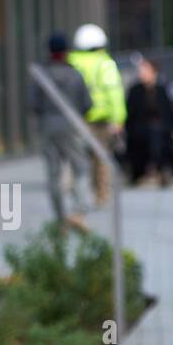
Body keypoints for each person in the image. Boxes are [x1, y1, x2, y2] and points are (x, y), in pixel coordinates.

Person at [27, 32, 93, 232]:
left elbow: (33, 104)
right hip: (72, 125)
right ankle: (78, 211)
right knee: (80, 168)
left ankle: (59, 219)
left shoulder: (41, 75)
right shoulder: (75, 74)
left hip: (48, 127)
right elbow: (87, 103)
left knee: (53, 174)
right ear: (66, 51)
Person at [67, 23, 126, 207]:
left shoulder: (71, 62)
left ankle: (78, 198)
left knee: (77, 160)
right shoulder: (104, 63)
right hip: (101, 121)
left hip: (77, 120)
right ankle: (101, 197)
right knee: (101, 160)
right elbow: (114, 91)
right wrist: (119, 118)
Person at [124, 57, 173, 187]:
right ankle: (154, 170)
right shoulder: (135, 91)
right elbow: (130, 115)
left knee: (158, 136)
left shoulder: (161, 90)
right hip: (140, 131)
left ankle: (160, 169)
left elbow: (169, 113)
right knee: (152, 136)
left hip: (160, 131)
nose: (142, 73)